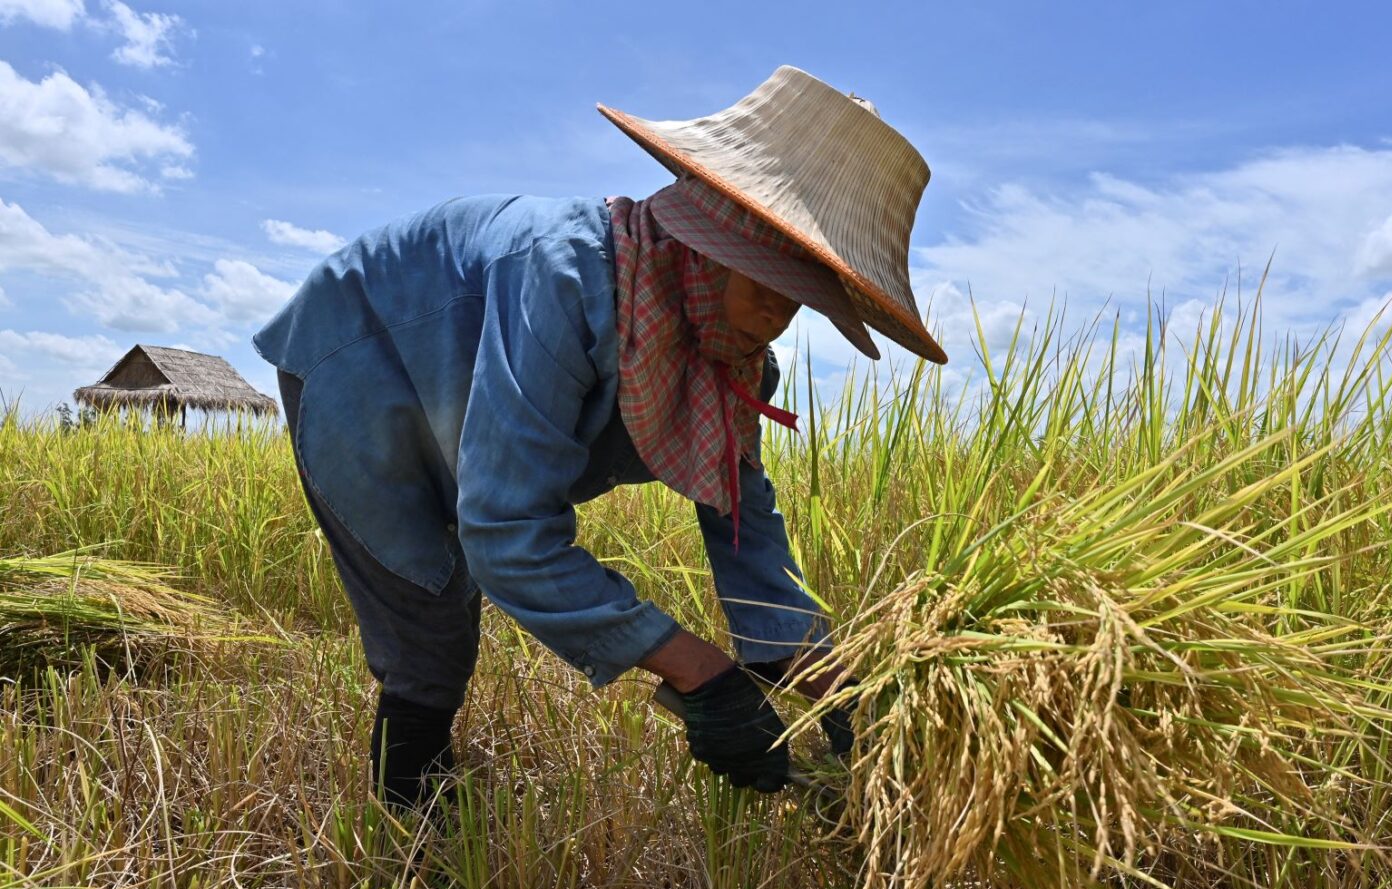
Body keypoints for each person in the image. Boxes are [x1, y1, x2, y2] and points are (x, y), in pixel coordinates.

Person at [252, 66, 947, 807]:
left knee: (457, 580)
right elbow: (508, 531)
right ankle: (412, 824)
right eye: (766, 267)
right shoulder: (561, 278)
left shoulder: (736, 364)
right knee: (430, 612)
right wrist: (696, 671)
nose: (779, 309)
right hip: (367, 354)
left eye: (804, 289)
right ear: (712, 229)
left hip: (464, 383)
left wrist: (814, 669)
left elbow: (742, 518)